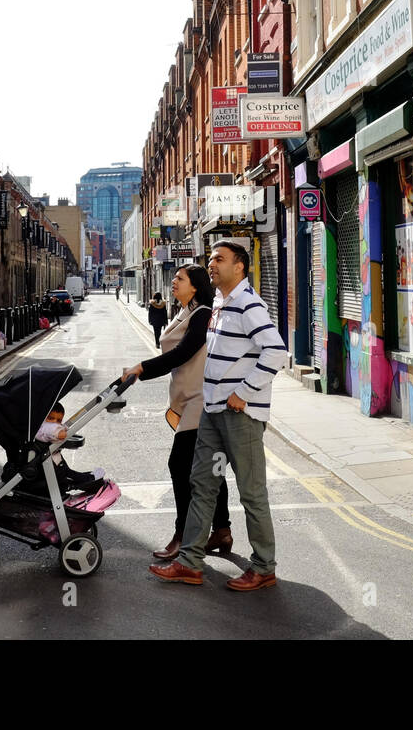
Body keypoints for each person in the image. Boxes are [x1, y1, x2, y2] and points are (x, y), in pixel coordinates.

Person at [150, 240, 286, 591]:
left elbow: (275, 351)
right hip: (212, 411)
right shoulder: (221, 304)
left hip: (239, 415)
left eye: (219, 259)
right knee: (202, 484)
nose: (212, 264)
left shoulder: (247, 304)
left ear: (239, 267)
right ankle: (190, 562)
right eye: (210, 259)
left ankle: (264, 566)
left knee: (251, 492)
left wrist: (244, 392)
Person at [123, 266, 231, 561]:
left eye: (179, 279)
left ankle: (183, 534)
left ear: (194, 286)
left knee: (179, 465)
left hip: (200, 399)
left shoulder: (203, 314)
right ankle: (222, 529)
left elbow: (183, 352)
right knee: (209, 468)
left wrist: (142, 368)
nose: (173, 281)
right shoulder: (187, 311)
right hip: (188, 398)